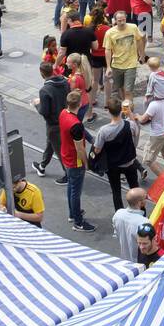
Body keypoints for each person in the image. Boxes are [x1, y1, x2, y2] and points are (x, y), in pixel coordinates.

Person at [91, 98, 141, 211]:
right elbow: (136, 131)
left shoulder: (103, 131)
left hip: (113, 165)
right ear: (121, 111)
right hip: (129, 162)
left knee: (116, 191)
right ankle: (141, 211)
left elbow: (97, 150)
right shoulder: (130, 125)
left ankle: (119, 214)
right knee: (135, 187)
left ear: (109, 111)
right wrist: (130, 114)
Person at [59, 89, 95, 232]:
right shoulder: (76, 125)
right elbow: (80, 149)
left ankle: (72, 213)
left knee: (71, 187)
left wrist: (91, 138)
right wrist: (86, 163)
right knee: (76, 191)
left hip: (65, 155)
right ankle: (78, 222)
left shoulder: (63, 113)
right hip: (76, 161)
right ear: (80, 104)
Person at [112, 187, 148, 262]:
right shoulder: (144, 222)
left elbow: (117, 233)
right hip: (139, 260)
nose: (147, 199)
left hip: (124, 258)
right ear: (140, 202)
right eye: (145, 197)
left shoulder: (118, 214)